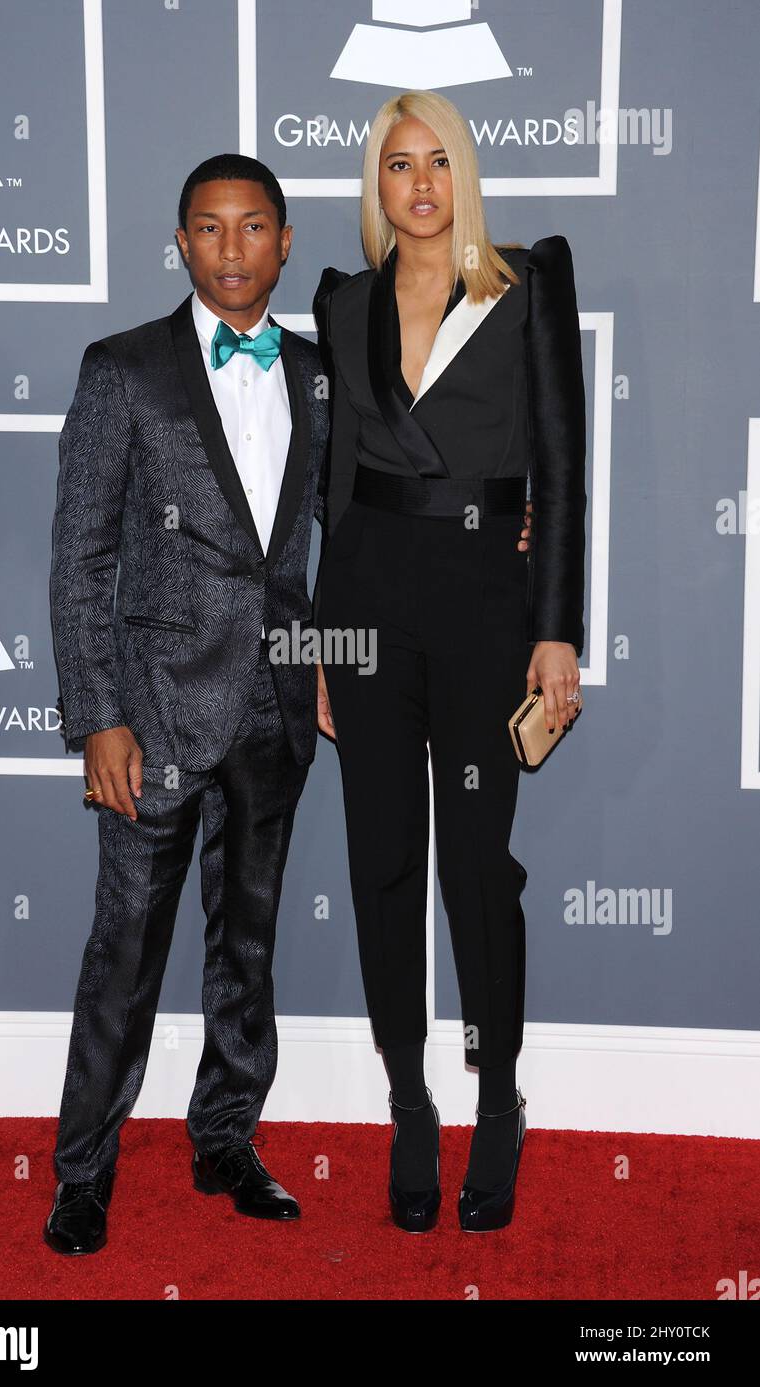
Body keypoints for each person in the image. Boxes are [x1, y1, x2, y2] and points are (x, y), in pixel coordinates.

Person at [44, 153, 332, 1254]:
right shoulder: (124, 369)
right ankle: (82, 1173)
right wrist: (95, 716)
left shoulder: (317, 375)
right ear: (181, 243)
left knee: (246, 944)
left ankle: (224, 1136)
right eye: (208, 230)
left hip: (271, 710)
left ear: (284, 241)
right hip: (153, 715)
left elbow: (331, 539)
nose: (231, 251)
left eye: (253, 228)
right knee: (126, 949)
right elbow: (81, 560)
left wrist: (508, 529)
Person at [312, 90, 586, 1233]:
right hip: (370, 598)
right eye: (395, 165)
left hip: (484, 600)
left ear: (462, 174)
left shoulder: (525, 286)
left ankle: (495, 1100)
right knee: (382, 859)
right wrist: (323, 645)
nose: (418, 184)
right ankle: (410, 1103)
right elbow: (333, 487)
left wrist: (558, 625)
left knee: (476, 870)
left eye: (437, 162)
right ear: (374, 185)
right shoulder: (345, 301)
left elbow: (565, 464)